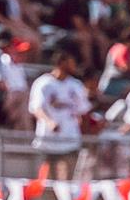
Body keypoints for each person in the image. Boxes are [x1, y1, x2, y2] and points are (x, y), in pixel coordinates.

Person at [28, 48, 92, 180]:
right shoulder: (43, 83)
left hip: (70, 139)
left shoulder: (76, 85)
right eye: (72, 61)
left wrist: (85, 134)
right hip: (48, 139)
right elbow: (36, 108)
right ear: (62, 62)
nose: (74, 65)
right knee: (47, 180)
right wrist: (49, 122)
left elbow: (84, 111)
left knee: (68, 180)